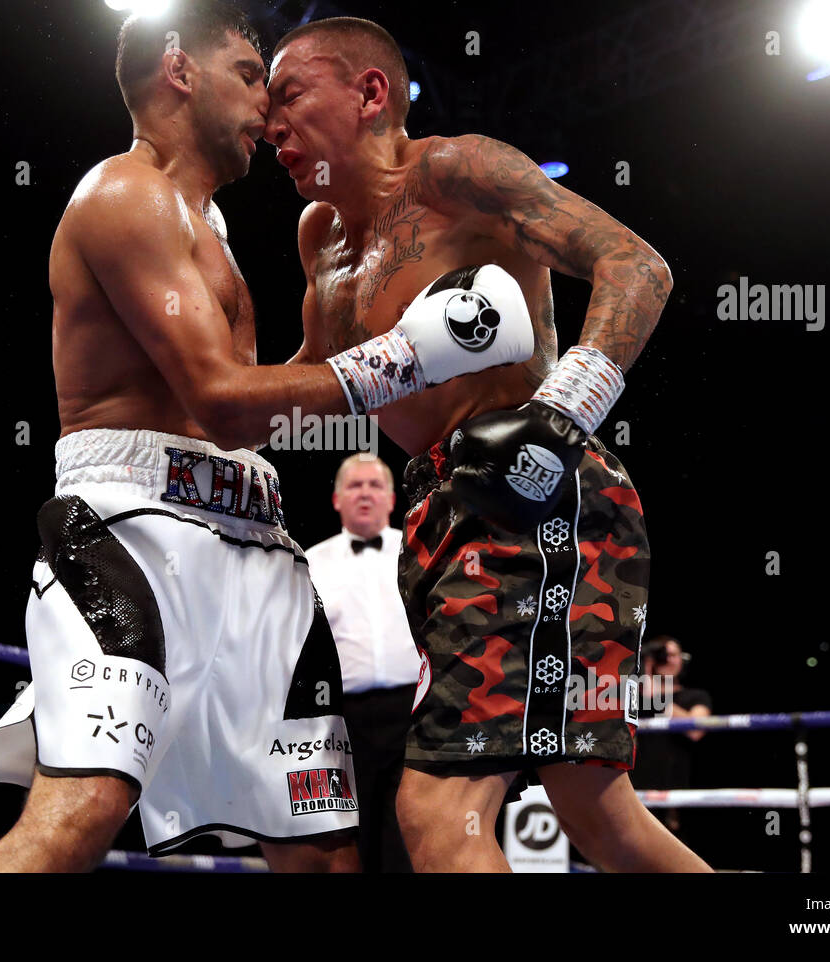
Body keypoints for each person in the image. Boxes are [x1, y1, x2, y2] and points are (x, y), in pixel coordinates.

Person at [0, 2, 535, 872]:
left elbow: (269, 396)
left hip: (257, 551)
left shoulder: (210, 228)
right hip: (131, 536)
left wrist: (391, 353)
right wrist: (409, 354)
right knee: (81, 812)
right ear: (179, 70)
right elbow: (222, 401)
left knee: (325, 853)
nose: (270, 110)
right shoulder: (122, 195)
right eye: (252, 78)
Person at [265, 16, 712, 872]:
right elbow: (309, 385)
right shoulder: (318, 239)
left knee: (438, 812)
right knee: (593, 805)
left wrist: (558, 417)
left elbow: (636, 266)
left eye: (289, 95)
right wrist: (196, 422)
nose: (270, 124)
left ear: (370, 93)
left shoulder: (454, 171)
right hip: (438, 509)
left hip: (535, 488)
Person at [306, 453, 421, 872]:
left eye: (375, 485)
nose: (365, 493)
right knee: (346, 828)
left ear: (392, 498)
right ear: (337, 499)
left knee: (407, 822)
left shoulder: (418, 552)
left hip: (412, 710)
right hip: (340, 717)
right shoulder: (310, 562)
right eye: (355, 485)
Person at [632, 635, 713, 838]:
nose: (669, 660)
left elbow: (696, 731)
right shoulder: (634, 699)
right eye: (663, 655)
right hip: (637, 790)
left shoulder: (695, 696)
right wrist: (646, 669)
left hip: (679, 791)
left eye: (674, 655)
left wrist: (658, 696)